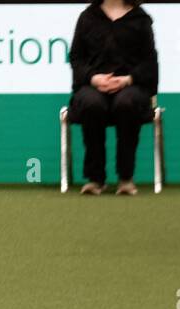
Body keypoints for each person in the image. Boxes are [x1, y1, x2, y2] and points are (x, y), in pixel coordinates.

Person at [67, 0, 159, 196]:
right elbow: (76, 58)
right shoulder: (88, 17)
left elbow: (150, 62)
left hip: (131, 86)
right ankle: (95, 179)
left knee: (126, 104)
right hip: (93, 85)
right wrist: (93, 78)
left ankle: (126, 178)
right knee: (92, 104)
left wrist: (127, 79)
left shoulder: (140, 19)